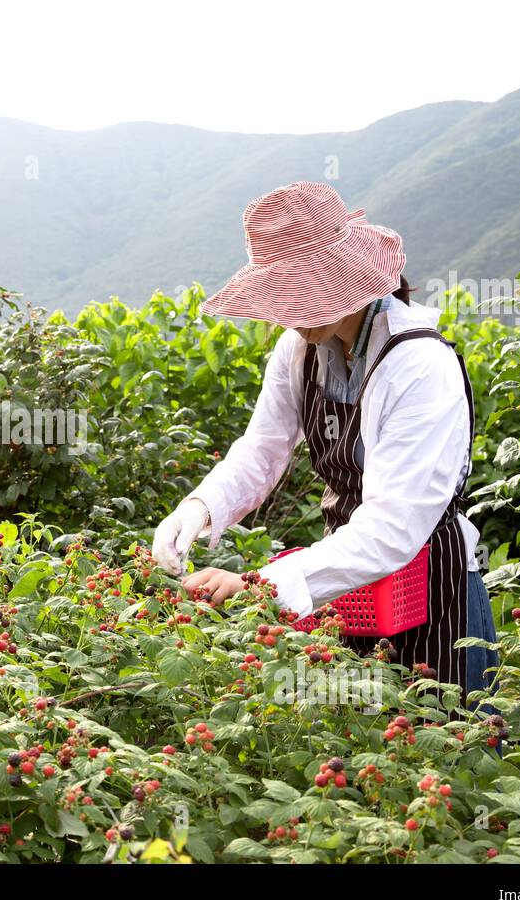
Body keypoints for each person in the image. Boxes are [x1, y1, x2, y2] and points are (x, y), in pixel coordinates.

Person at [151, 181, 497, 698]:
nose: (290, 313)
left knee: (451, 752)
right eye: (282, 298)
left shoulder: (419, 366)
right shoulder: (300, 352)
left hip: (434, 593)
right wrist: (199, 509)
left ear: (346, 281)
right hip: (348, 587)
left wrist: (259, 584)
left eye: (303, 295)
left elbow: (391, 530)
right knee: (357, 758)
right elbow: (263, 448)